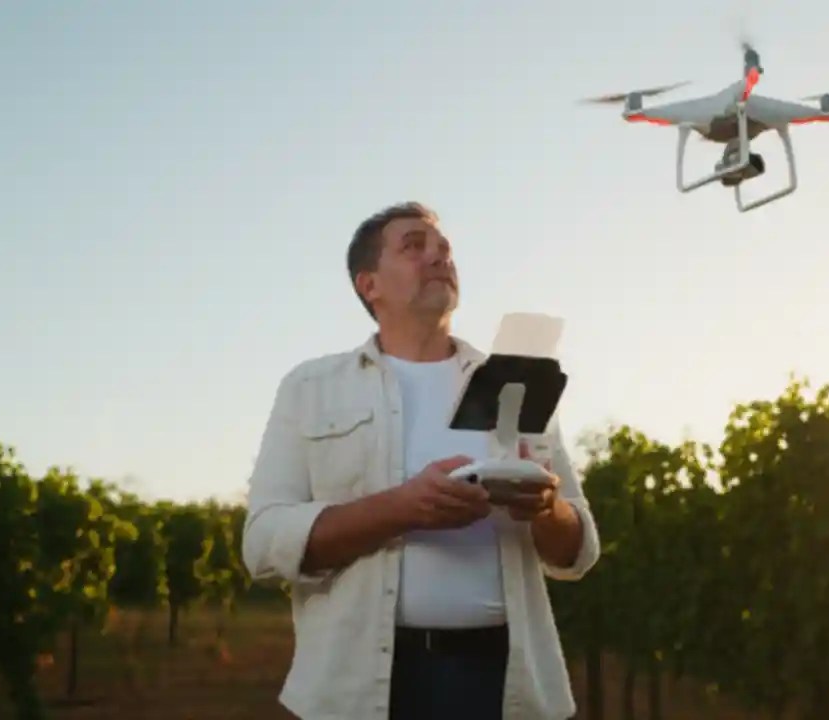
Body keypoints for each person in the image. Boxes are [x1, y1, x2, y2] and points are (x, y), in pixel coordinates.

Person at [241, 201, 601, 720]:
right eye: (414, 246)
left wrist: (546, 508)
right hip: (357, 691)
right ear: (370, 285)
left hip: (507, 687)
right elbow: (263, 543)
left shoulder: (515, 383)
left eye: (444, 249)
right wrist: (404, 508)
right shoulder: (311, 388)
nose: (438, 256)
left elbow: (578, 550)